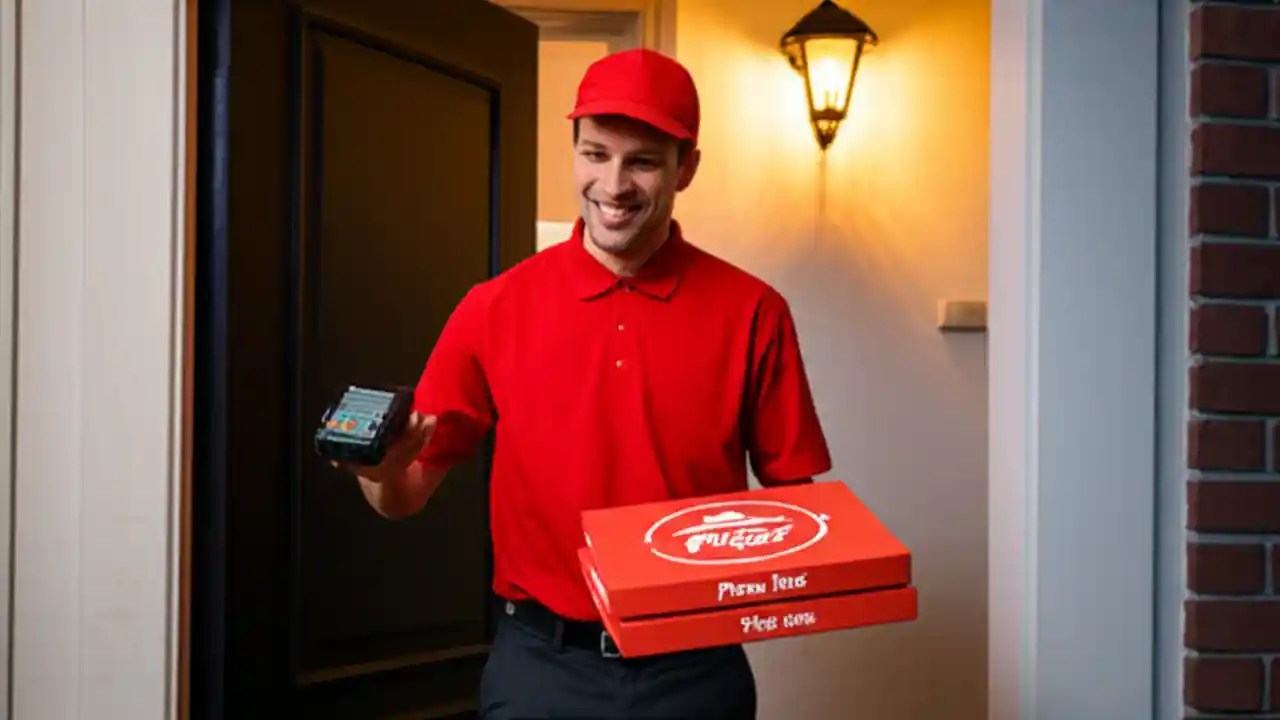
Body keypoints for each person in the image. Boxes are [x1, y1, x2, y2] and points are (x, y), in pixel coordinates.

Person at [337, 48, 832, 719]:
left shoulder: (754, 311)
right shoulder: (493, 307)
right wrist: (380, 472)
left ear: (686, 168)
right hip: (541, 668)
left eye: (643, 161)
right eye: (595, 155)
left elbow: (791, 510)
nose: (614, 184)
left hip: (695, 671)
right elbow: (403, 497)